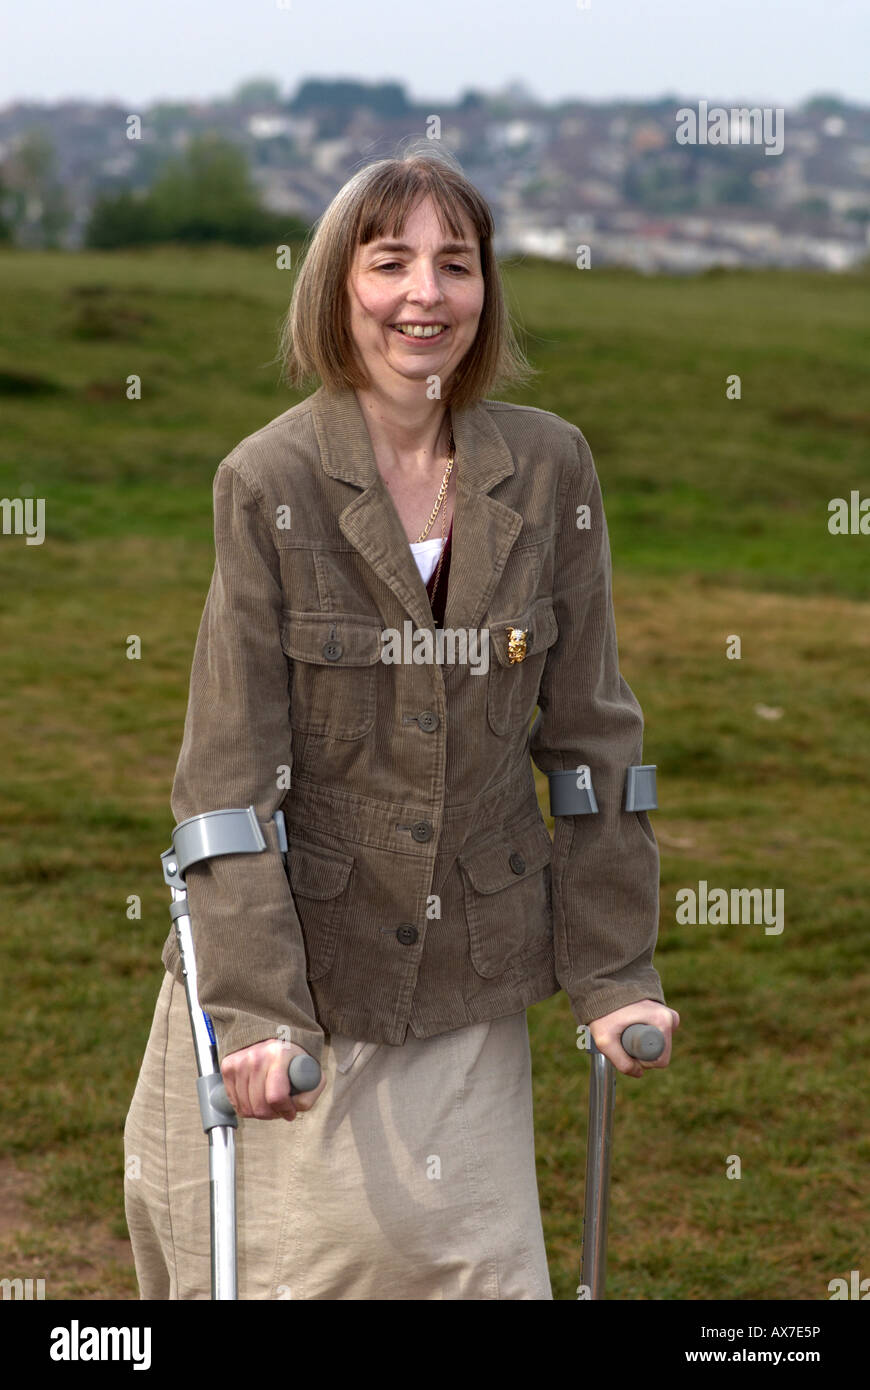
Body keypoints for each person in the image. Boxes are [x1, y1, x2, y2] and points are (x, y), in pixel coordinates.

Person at [124, 139, 679, 1301]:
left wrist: (615, 970)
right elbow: (225, 782)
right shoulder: (268, 479)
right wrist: (261, 1013)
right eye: (391, 263)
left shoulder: (550, 469)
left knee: (476, 1276)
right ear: (339, 288)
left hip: (470, 990)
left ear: (486, 290)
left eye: (456, 263)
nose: (426, 293)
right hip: (305, 994)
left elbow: (595, 748)